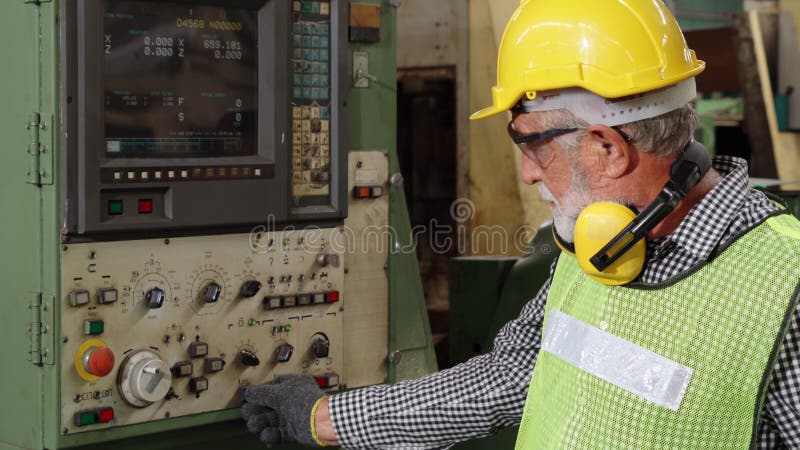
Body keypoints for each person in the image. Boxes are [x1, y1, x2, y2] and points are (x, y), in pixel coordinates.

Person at [241, 0, 800, 448]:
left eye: (530, 145)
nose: (529, 174)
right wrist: (325, 419)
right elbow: (508, 377)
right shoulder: (600, 248)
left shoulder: (784, 288)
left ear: (607, 148)